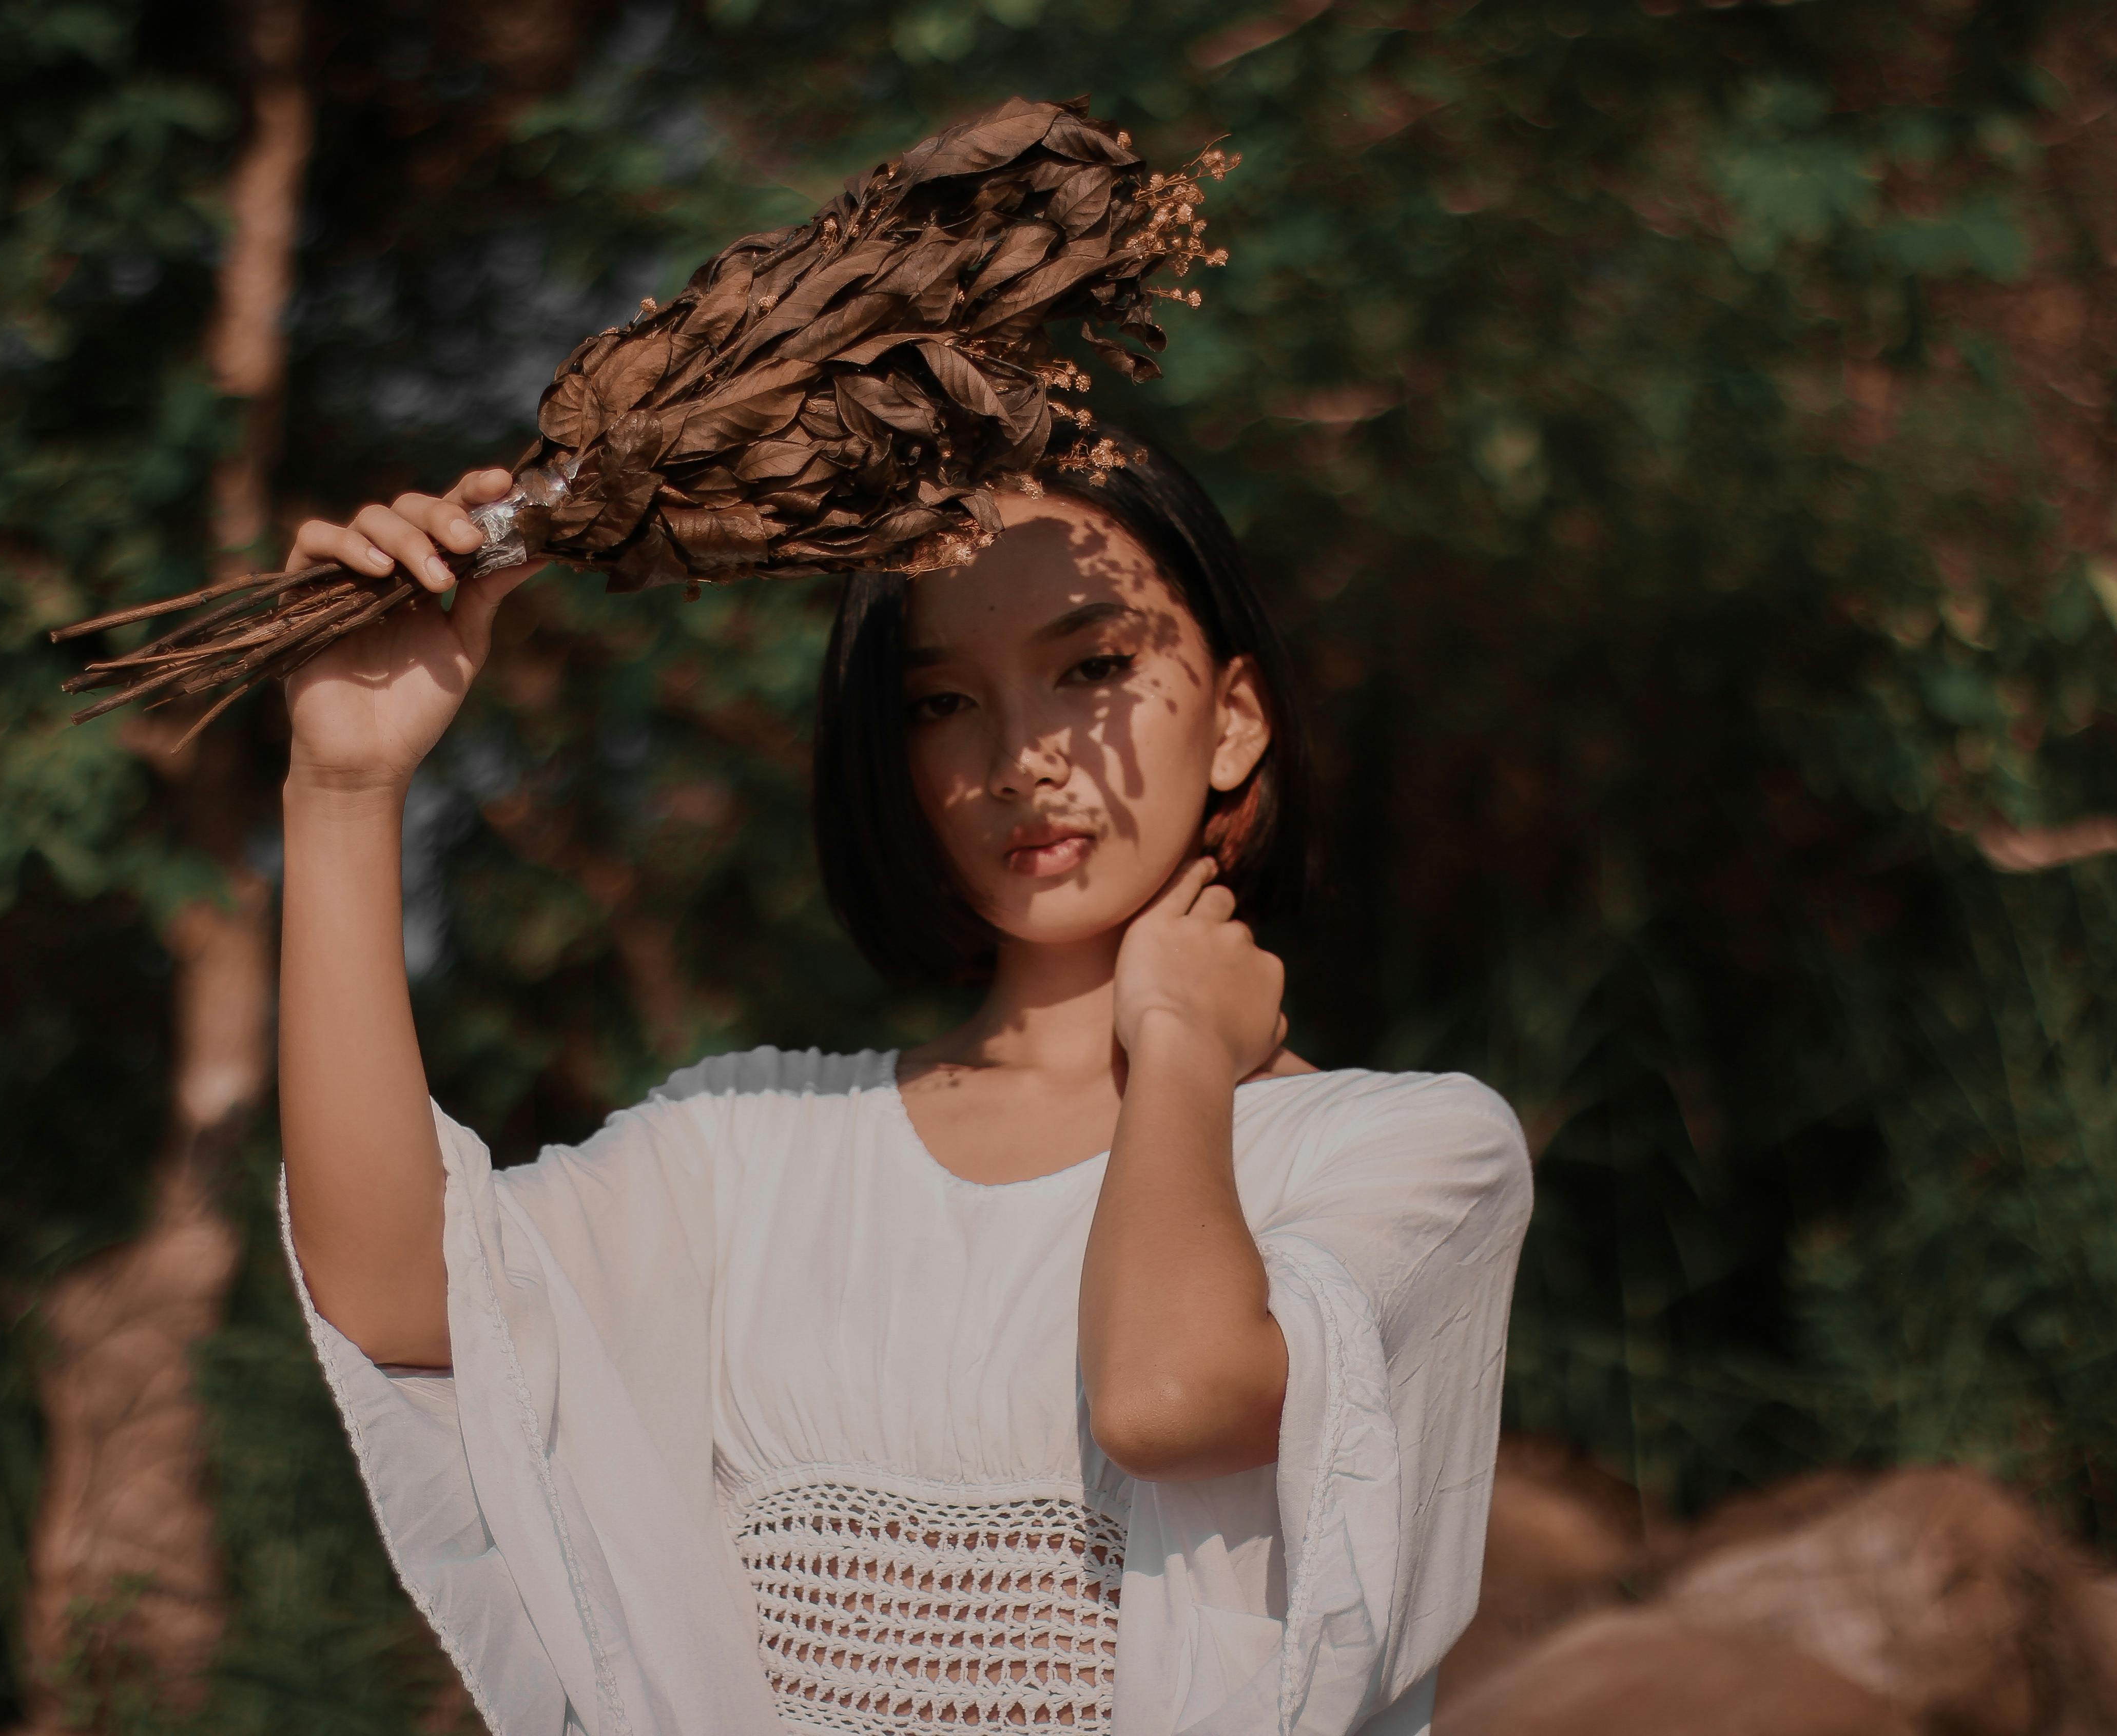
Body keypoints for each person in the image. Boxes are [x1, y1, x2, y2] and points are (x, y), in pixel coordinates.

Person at [275, 419, 1533, 1735]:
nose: (1020, 755)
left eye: (1091, 666)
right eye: (942, 701)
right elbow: (396, 1298)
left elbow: (1166, 1399)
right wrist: (344, 789)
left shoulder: (1411, 1150)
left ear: (1233, 722)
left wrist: (1176, 1045)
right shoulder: (747, 1144)